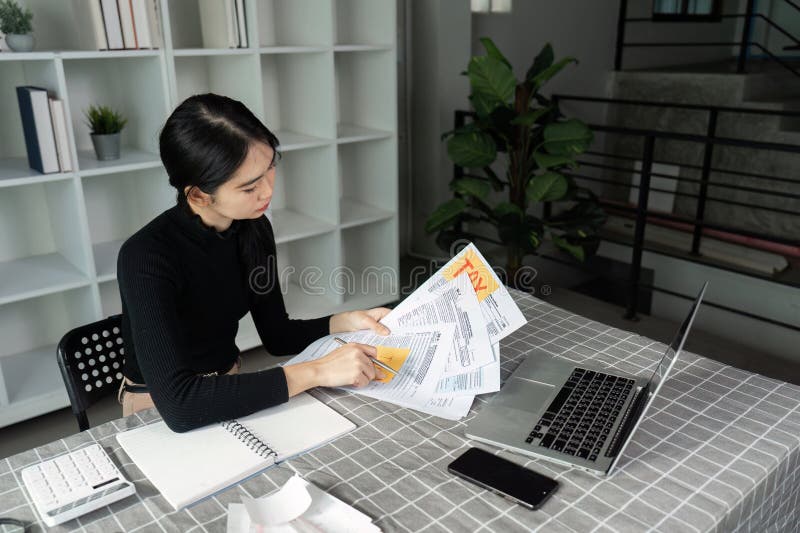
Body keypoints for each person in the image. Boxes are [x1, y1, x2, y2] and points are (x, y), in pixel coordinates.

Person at [116, 93, 391, 432]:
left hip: (230, 386)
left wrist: (346, 321)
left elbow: (277, 335)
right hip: (159, 407)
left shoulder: (253, 228)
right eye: (249, 187)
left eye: (270, 168)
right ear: (199, 195)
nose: (267, 192)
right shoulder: (145, 257)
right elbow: (180, 404)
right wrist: (317, 371)